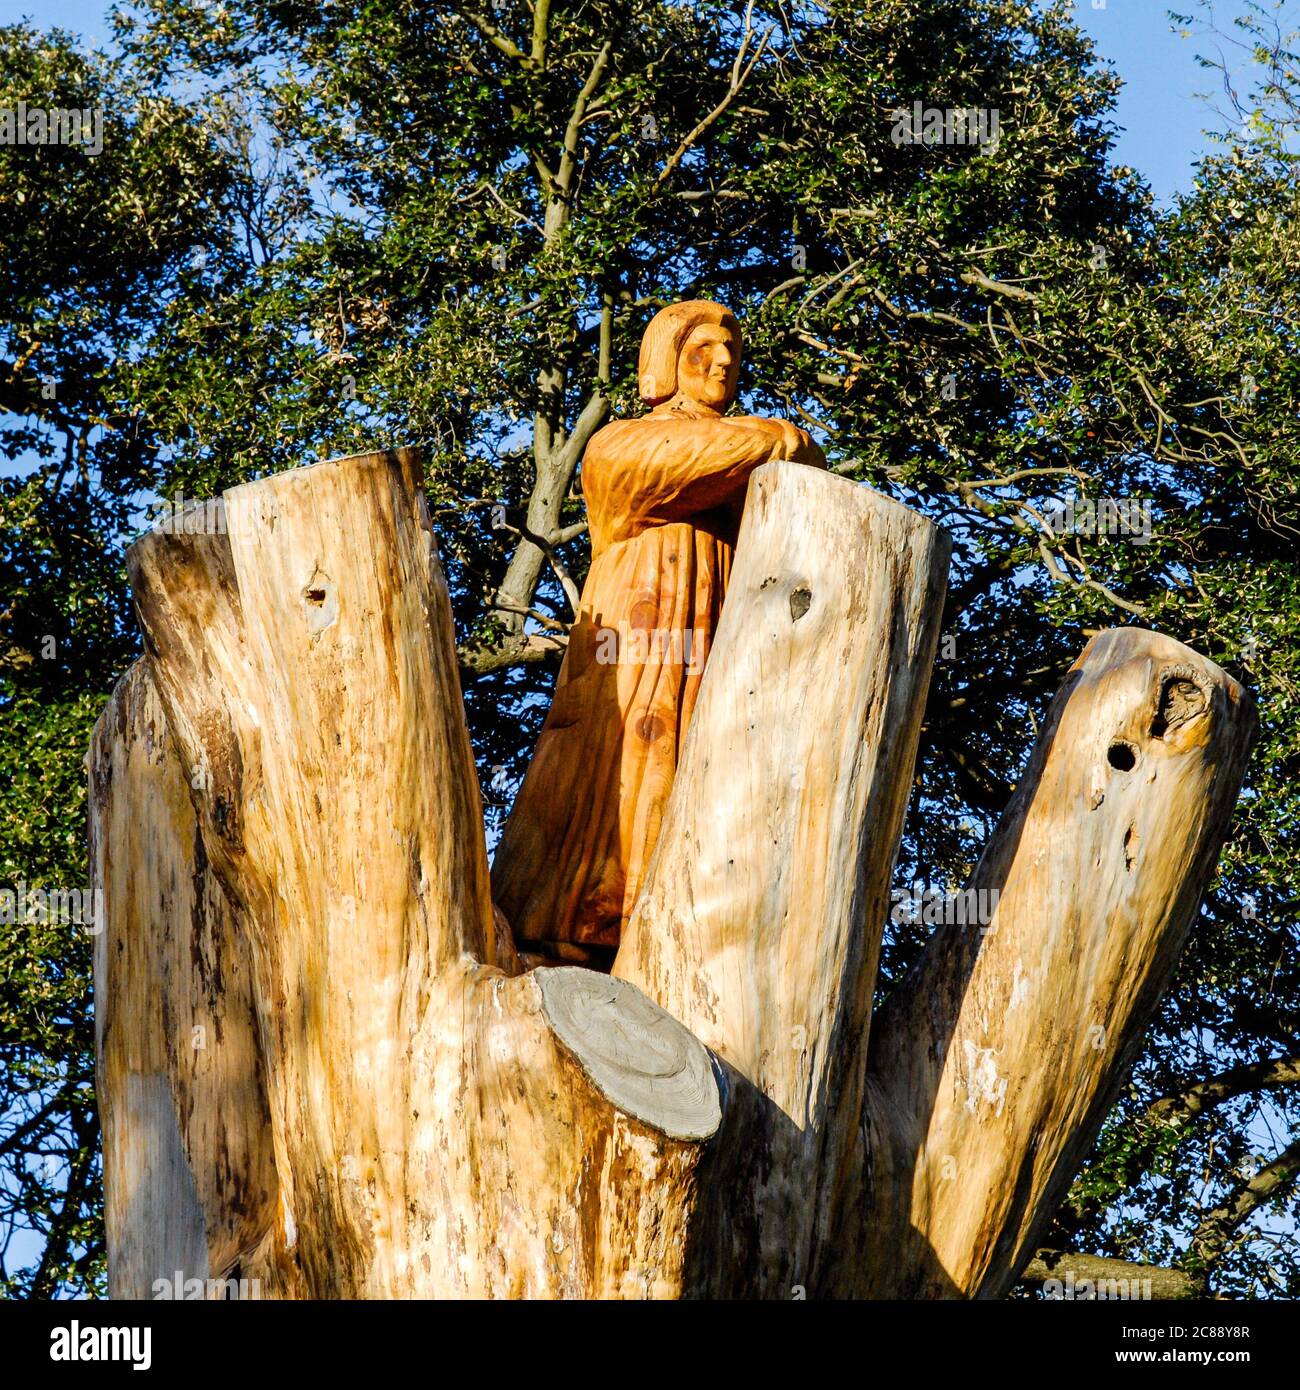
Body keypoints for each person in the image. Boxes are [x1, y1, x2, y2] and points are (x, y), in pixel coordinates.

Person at [491, 299, 825, 966]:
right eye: (703, 348)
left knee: (713, 781)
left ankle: (693, 930)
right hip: (636, 646)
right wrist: (784, 439)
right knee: (622, 771)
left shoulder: (743, 461)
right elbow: (674, 463)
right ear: (665, 361)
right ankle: (586, 920)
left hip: (721, 654)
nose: (724, 361)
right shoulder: (620, 444)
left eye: (732, 351)